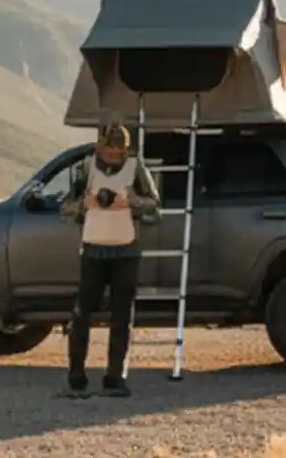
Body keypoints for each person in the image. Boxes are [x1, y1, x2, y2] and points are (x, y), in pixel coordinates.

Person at [59, 119, 161, 397]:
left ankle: (115, 376)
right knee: (82, 313)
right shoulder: (88, 168)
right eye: (111, 152)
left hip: (126, 250)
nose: (115, 157)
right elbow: (66, 206)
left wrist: (131, 203)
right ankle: (76, 374)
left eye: (120, 153)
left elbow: (155, 204)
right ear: (101, 150)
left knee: (122, 315)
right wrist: (85, 204)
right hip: (93, 249)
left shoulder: (135, 167)